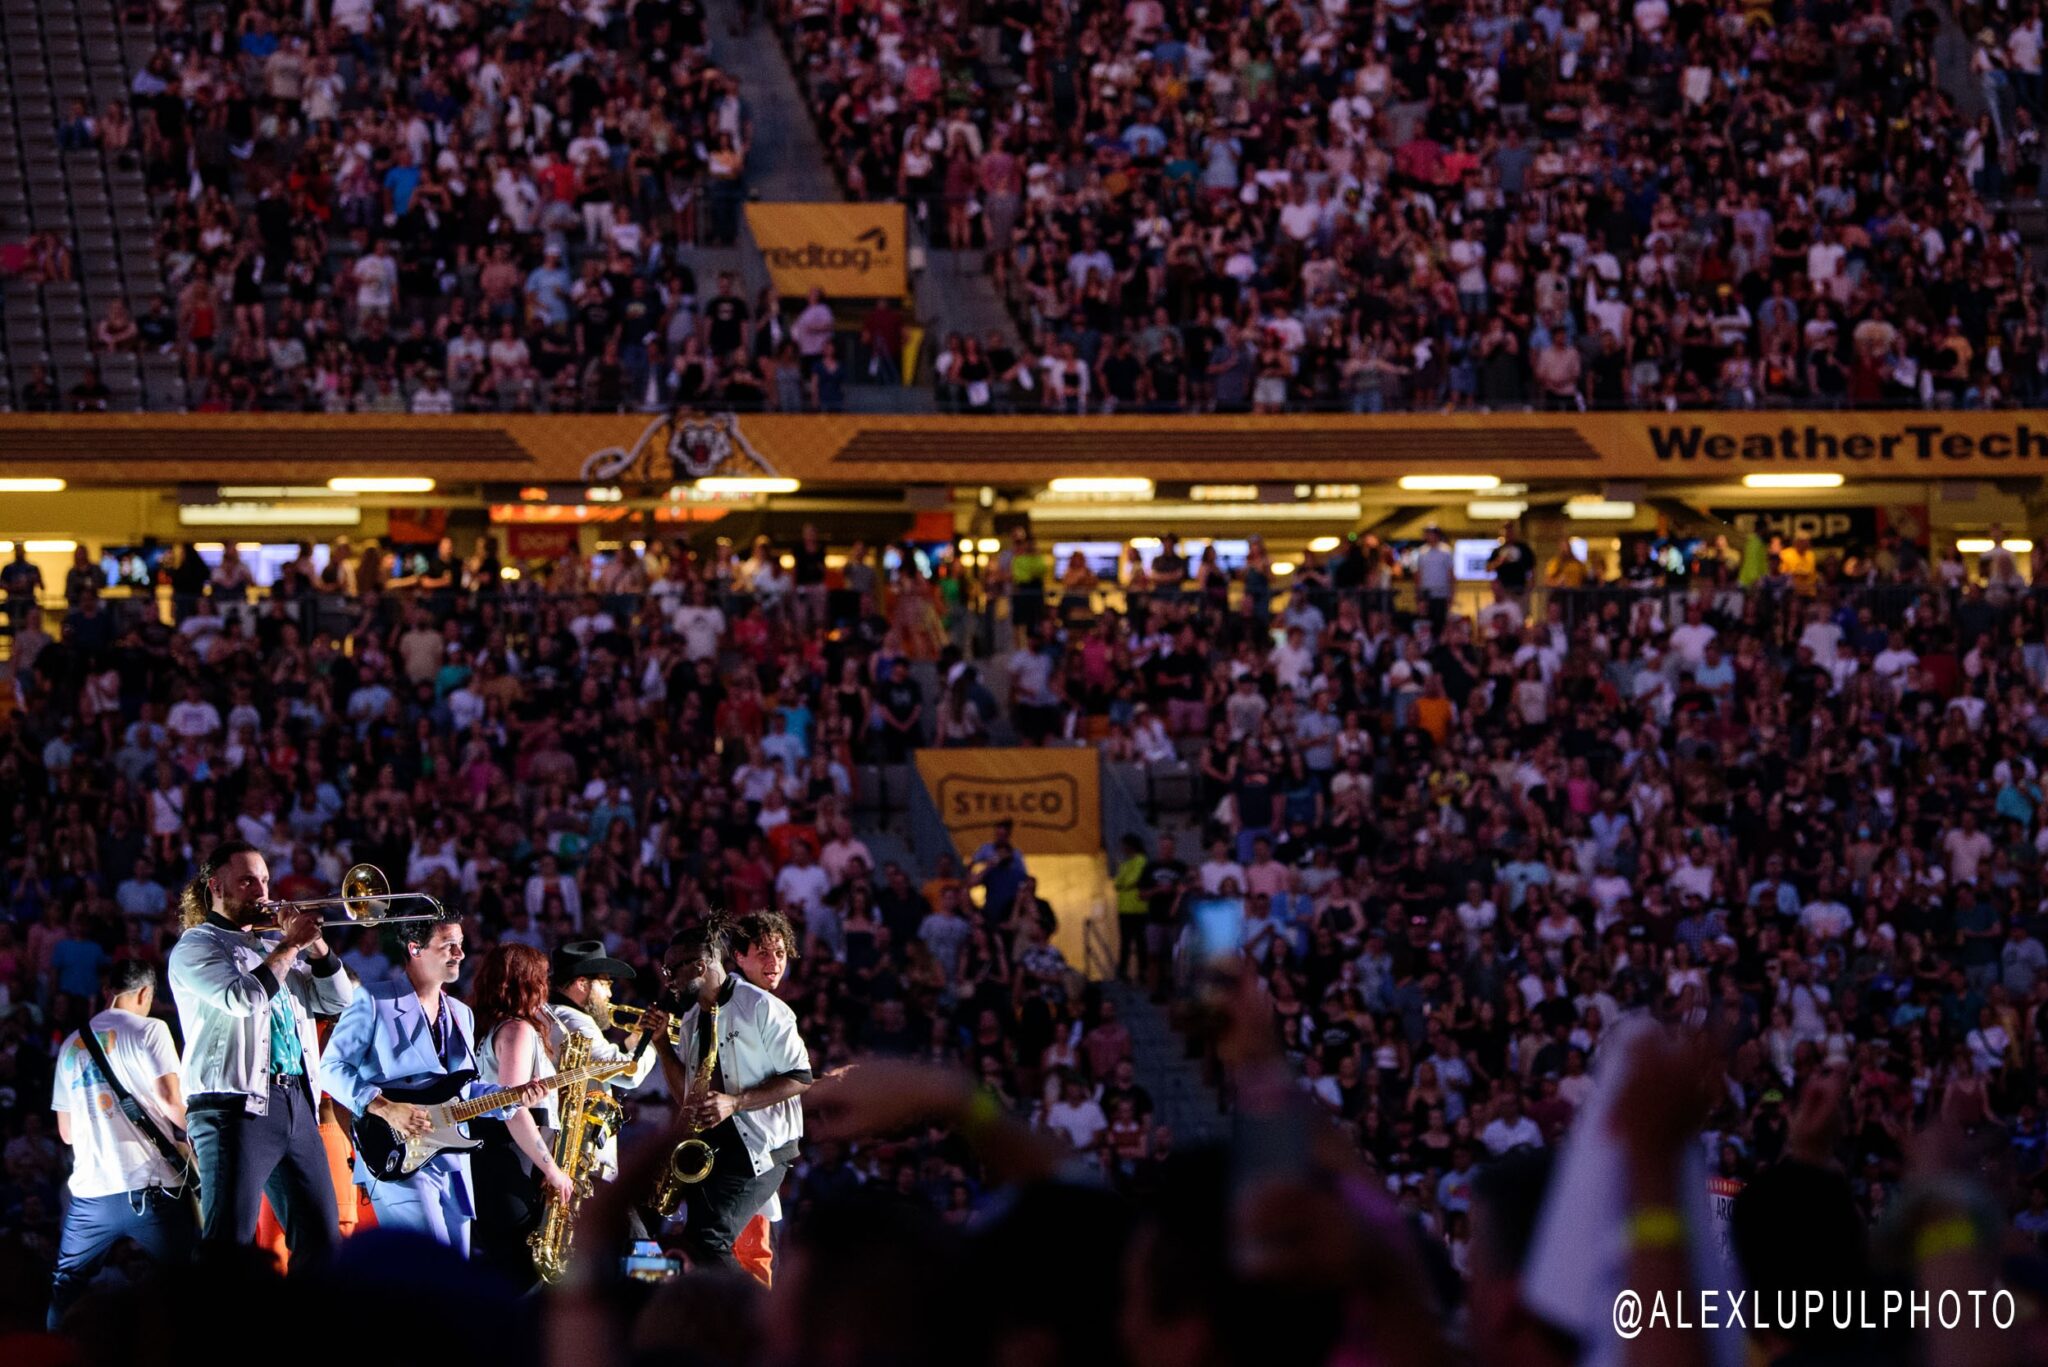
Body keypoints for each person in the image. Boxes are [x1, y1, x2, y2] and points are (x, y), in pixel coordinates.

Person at [165, 840, 353, 1262]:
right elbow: (243, 999)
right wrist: (291, 946)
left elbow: (338, 1000)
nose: (261, 890)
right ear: (215, 885)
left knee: (322, 1241)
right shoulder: (198, 945)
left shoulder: (273, 947)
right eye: (247, 880)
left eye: (265, 880)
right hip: (233, 1107)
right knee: (229, 1240)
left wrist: (317, 947)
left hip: (295, 1101)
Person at [323, 911, 540, 1254]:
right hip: (397, 1154)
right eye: (449, 945)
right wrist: (386, 1108)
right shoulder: (373, 1000)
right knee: (428, 1272)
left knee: (455, 1276)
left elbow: (464, 1091)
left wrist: (511, 1096)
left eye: (461, 945)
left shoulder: (460, 1013)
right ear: (415, 948)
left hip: (452, 1161)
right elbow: (330, 1068)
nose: (460, 954)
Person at [657, 918, 811, 1274]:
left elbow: (801, 1077)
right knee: (697, 1242)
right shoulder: (692, 1019)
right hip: (716, 1144)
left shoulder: (762, 1007)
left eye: (672, 969)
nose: (668, 980)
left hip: (762, 1145)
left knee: (712, 1239)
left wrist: (735, 1103)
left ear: (699, 964)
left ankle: (752, 1318)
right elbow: (687, 1096)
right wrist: (663, 1045)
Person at [47, 959, 195, 1327]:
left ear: (108, 991)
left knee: (66, 1288)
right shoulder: (151, 1030)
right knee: (188, 1285)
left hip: (92, 1198)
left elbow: (66, 1133)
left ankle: (49, 1354)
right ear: (145, 993)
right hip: (152, 1191)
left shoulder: (69, 1045)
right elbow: (172, 1103)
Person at [470, 942, 577, 1289]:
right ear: (526, 982)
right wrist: (552, 1169)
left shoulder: (494, 1028)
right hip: (506, 1163)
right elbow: (511, 1109)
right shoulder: (517, 1030)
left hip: (505, 1162)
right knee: (522, 1277)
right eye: (541, 979)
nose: (546, 987)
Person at [545, 940, 668, 1210]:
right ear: (582, 984)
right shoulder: (575, 1021)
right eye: (605, 983)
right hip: (578, 1162)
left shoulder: (556, 1015)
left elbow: (606, 1069)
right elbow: (628, 1075)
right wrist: (655, 1040)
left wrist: (636, 1040)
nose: (611, 994)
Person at [725, 911, 804, 1285]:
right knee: (752, 1259)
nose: (774, 964)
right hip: (755, 1150)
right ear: (738, 956)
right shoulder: (766, 1006)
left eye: (781, 953)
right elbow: (796, 1077)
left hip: (739, 1145)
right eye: (763, 953)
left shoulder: (725, 1000)